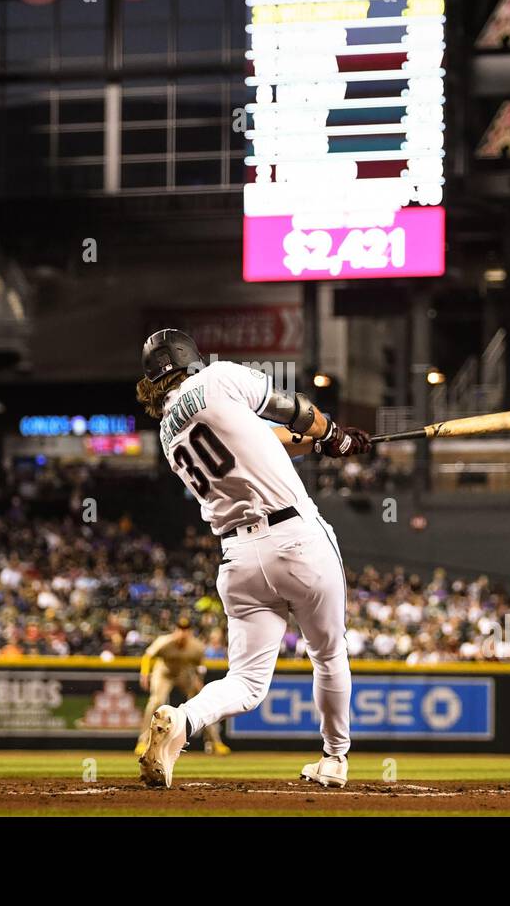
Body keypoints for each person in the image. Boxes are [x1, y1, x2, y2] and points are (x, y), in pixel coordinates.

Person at [134, 329, 371, 789]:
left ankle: (181, 723)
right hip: (297, 539)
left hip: (238, 558)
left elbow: (262, 443)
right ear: (190, 357)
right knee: (328, 654)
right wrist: (333, 434)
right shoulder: (220, 376)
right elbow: (294, 410)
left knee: (244, 683)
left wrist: (322, 443)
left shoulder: (167, 429)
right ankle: (334, 758)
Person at [135, 616, 230, 758]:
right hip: (164, 673)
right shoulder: (164, 642)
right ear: (175, 630)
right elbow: (148, 656)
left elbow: (199, 666)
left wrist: (198, 681)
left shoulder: (196, 647)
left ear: (190, 632)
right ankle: (143, 741)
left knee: (202, 704)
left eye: (185, 629)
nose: (182, 632)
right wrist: (144, 673)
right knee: (156, 701)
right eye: (180, 629)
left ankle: (215, 742)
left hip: (184, 674)